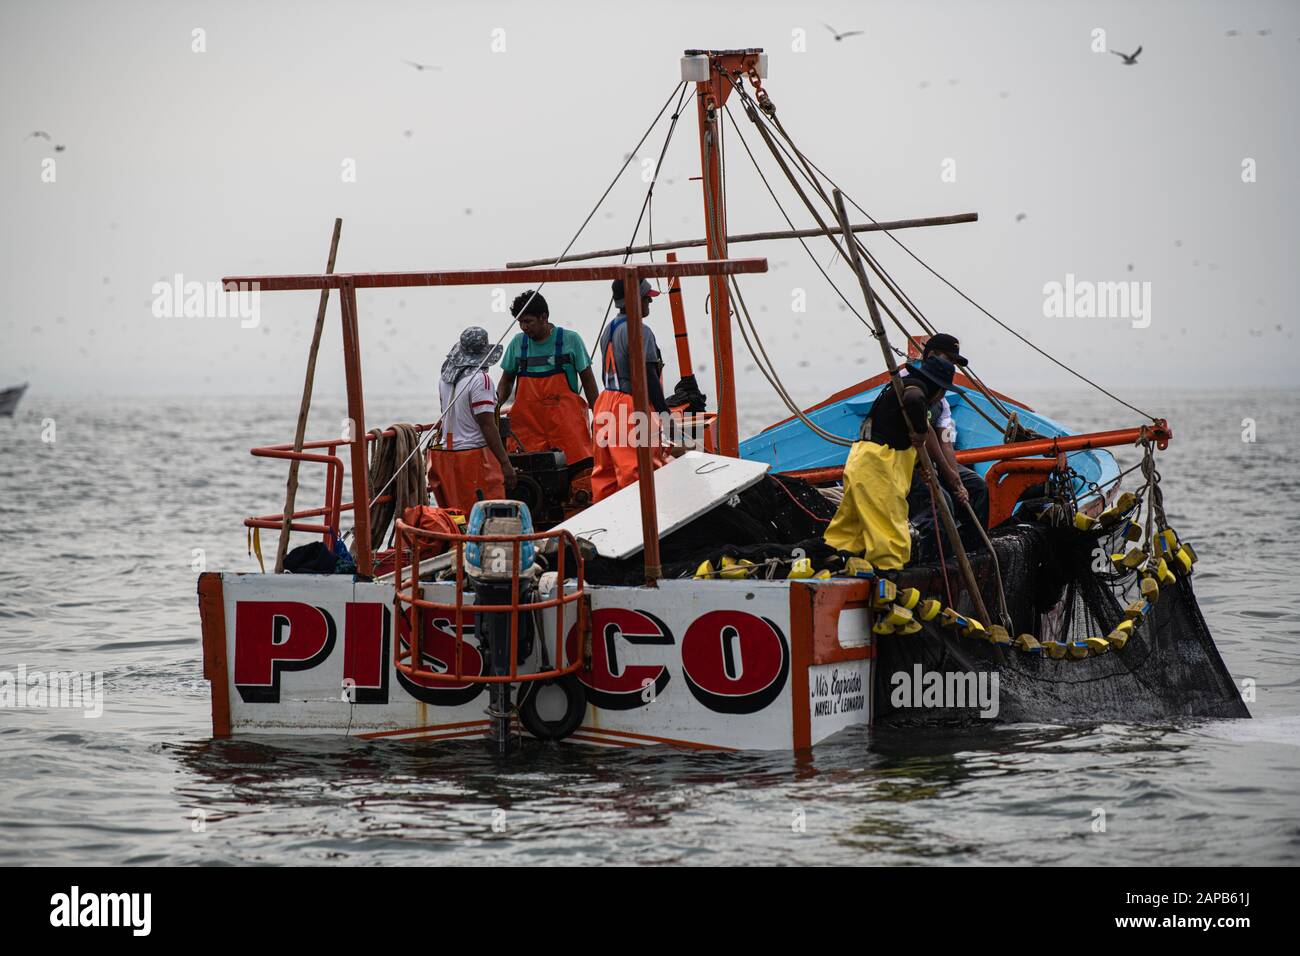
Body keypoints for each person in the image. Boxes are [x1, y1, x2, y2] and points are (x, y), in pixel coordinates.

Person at [823, 353, 955, 570]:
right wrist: (922, 432)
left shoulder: (901, 387)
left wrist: (922, 465)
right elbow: (914, 400)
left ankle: (835, 559)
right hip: (878, 466)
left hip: (862, 458)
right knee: (889, 529)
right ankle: (889, 577)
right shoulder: (914, 389)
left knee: (851, 526)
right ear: (938, 388)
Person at [496, 290, 599, 495]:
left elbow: (588, 380)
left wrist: (600, 414)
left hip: (568, 432)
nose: (524, 327)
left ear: (544, 317)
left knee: (579, 485)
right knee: (533, 490)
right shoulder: (518, 344)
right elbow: (506, 381)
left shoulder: (571, 340)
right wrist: (494, 407)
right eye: (520, 322)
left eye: (528, 321)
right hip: (528, 436)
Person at [590, 278, 682, 502]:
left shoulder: (609, 330)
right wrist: (664, 414)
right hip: (629, 407)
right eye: (645, 298)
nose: (649, 302)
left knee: (606, 473)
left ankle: (606, 523)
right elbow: (648, 377)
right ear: (635, 300)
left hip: (605, 404)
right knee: (638, 472)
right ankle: (643, 526)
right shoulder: (640, 330)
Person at [902, 334, 989, 550]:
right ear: (931, 356)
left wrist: (956, 479)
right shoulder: (907, 384)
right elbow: (925, 429)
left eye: (955, 363)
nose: (952, 367)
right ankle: (930, 559)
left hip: (931, 461)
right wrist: (947, 475)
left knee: (976, 487)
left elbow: (945, 440)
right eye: (949, 360)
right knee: (941, 503)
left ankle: (971, 552)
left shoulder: (941, 399)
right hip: (905, 462)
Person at [426, 327, 517, 516]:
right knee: (488, 516)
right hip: (474, 459)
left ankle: (458, 545)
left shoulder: (445, 380)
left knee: (457, 516)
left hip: (446, 456)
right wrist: (505, 463)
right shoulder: (480, 380)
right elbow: (487, 424)